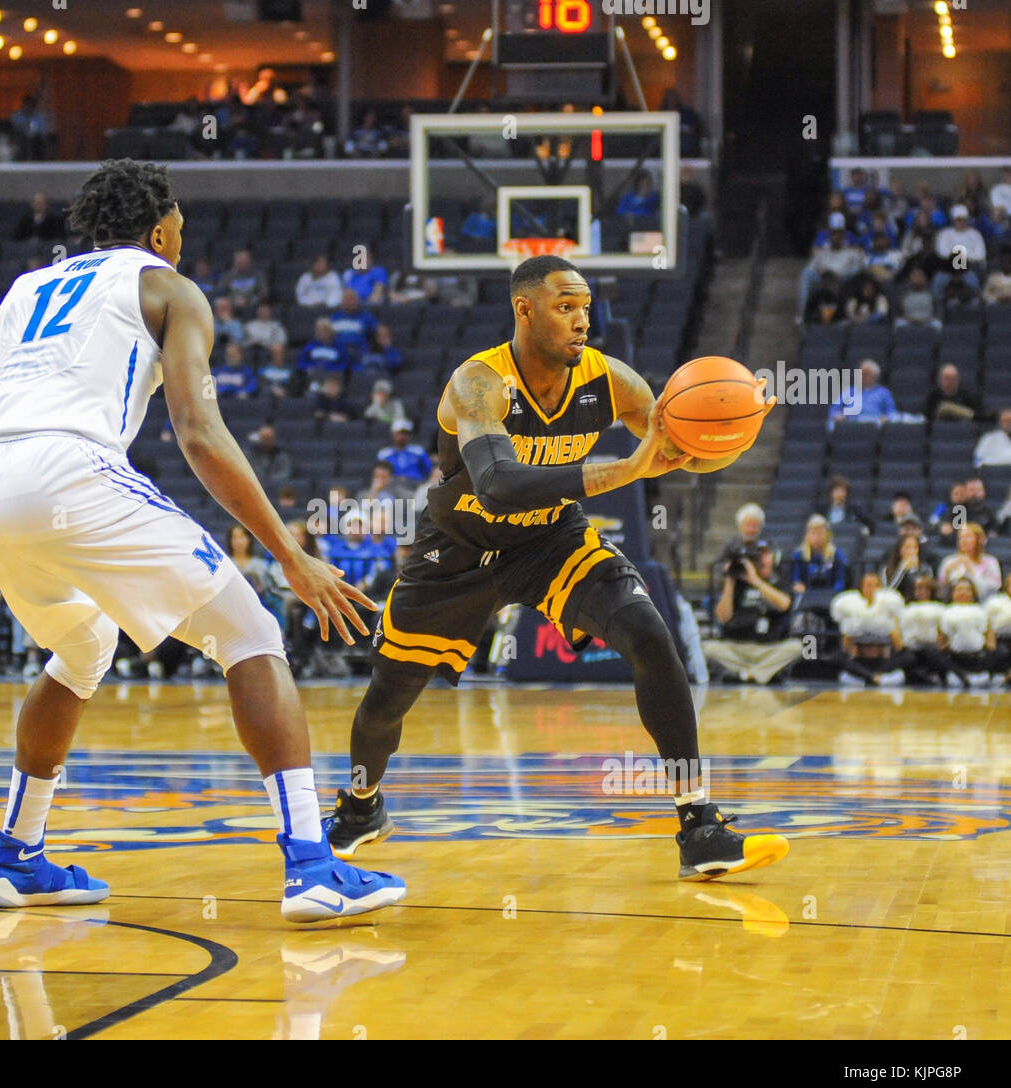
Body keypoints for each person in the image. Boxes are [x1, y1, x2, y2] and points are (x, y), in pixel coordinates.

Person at [0, 158, 404, 922]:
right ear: (160, 230)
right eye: (181, 228)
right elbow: (198, 432)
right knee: (250, 633)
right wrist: (291, 556)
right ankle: (313, 867)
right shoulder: (168, 288)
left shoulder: (25, 291)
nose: (183, 241)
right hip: (70, 470)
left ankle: (15, 855)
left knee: (84, 648)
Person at [329, 254, 787, 882]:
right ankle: (361, 808)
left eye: (586, 309)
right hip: (460, 549)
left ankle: (698, 825)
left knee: (652, 637)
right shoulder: (478, 384)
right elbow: (497, 483)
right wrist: (627, 470)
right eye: (566, 307)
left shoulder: (610, 380)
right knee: (387, 699)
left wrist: (729, 430)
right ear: (525, 310)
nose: (581, 321)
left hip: (551, 539)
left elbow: (672, 447)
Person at [703, 544, 804, 686]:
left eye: (765, 555)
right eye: (757, 557)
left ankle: (746, 674)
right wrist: (730, 581)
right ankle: (760, 673)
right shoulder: (736, 583)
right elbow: (723, 617)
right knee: (707, 648)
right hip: (737, 647)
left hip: (769, 648)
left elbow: (784, 605)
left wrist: (755, 581)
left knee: (797, 647)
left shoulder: (778, 581)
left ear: (772, 558)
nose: (761, 560)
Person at [828, 574, 908, 687]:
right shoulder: (852, 607)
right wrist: (854, 629)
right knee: (836, 657)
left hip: (883, 662)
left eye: (876, 586)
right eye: (868, 585)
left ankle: (870, 677)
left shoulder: (889, 609)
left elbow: (899, 647)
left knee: (909, 656)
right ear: (862, 588)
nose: (872, 589)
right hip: (860, 660)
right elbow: (846, 649)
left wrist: (890, 628)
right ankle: (873, 677)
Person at [937, 524, 1002, 600]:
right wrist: (946, 576)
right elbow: (941, 593)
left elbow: (995, 588)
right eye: (960, 537)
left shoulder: (991, 562)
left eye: (967, 537)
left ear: (979, 539)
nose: (963, 540)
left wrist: (970, 570)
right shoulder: (949, 561)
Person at [881, 532, 935, 601]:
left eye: (915, 547)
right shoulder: (886, 569)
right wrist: (902, 569)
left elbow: (926, 592)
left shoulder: (925, 568)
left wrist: (915, 570)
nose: (911, 551)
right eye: (907, 547)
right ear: (899, 549)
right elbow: (887, 592)